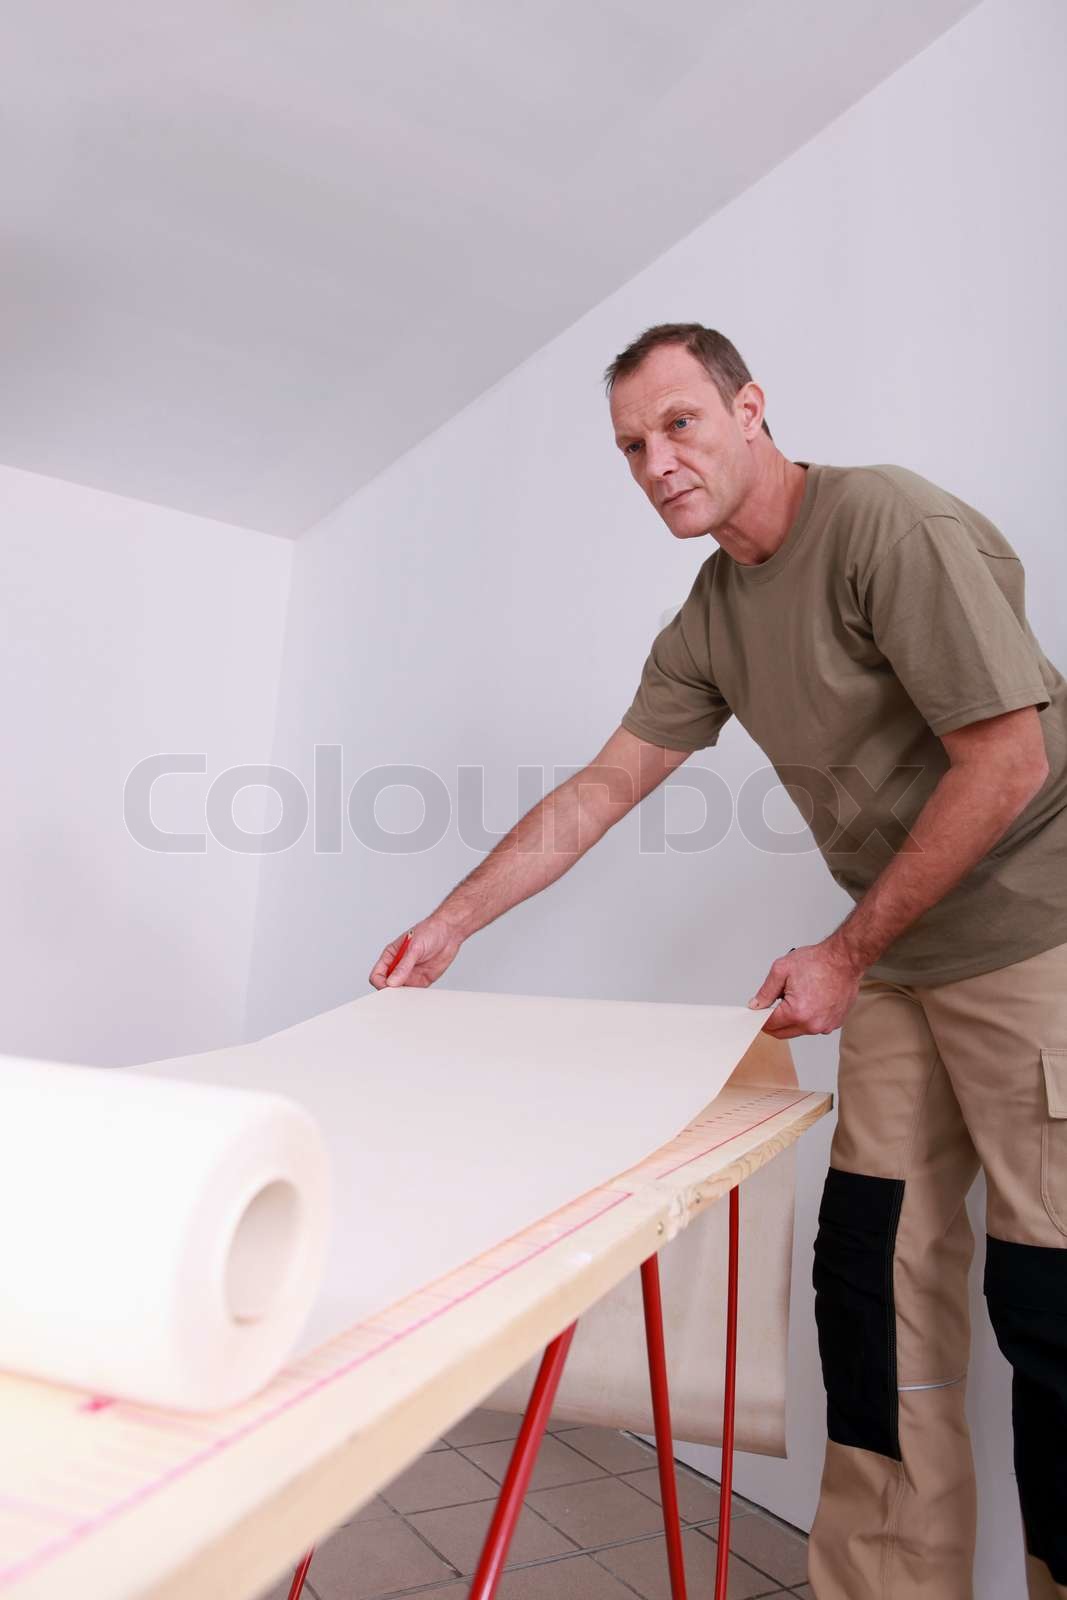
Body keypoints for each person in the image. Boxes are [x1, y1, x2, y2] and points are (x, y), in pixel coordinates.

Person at [369, 323, 1067, 1600]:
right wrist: (455, 918)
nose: (656, 461)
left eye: (678, 423)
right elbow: (603, 785)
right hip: (901, 959)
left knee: (1053, 1299)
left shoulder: (884, 528)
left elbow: (1007, 760)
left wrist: (846, 950)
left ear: (752, 408)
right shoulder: (710, 615)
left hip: (1036, 937)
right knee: (872, 1285)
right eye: (633, 445)